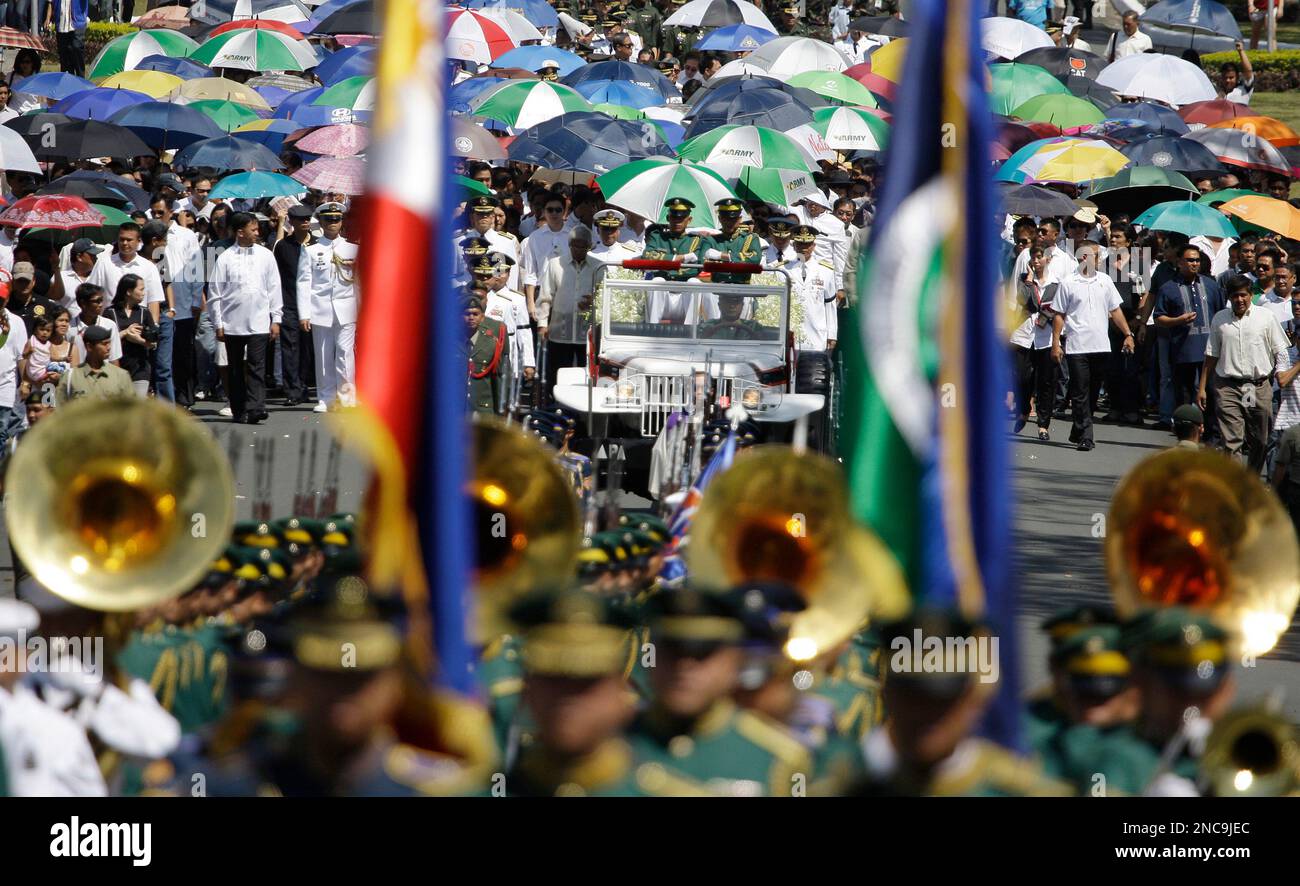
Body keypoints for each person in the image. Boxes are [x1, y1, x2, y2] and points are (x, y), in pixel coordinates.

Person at [852, 609, 1071, 797]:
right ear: (886, 694)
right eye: (913, 697)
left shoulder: (1021, 790)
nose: (927, 713)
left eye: (943, 699)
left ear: (972, 700)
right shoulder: (839, 782)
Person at [623, 586, 813, 796]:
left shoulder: (776, 760)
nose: (684, 666)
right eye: (672, 650)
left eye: (703, 652)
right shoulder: (609, 743)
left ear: (734, 659)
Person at [1198, 274, 1290, 470]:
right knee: (1232, 440)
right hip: (1228, 387)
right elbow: (1211, 355)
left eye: (1243, 295)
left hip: (1257, 387)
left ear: (1250, 295)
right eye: (1235, 296)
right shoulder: (1220, 319)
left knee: (1260, 439)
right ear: (1229, 297)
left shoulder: (1266, 317)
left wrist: (1280, 372)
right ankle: (1237, 485)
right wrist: (1202, 387)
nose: (1239, 300)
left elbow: (1280, 349)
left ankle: (1252, 480)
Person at [1051, 242, 1136, 452]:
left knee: (1092, 391)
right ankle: (1086, 436)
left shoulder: (1105, 281)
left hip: (1101, 345)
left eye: (1097, 256)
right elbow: (1059, 315)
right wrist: (1055, 343)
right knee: (1080, 390)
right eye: (1089, 256)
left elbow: (1115, 310)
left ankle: (1078, 428)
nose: (1094, 260)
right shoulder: (1068, 282)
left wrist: (1128, 334)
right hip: (1077, 345)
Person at [209, 212, 282, 425]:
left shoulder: (265, 255)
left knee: (256, 366)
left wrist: (276, 318)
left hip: (259, 321)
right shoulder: (225, 258)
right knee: (234, 369)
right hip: (232, 323)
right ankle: (239, 409)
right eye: (254, 229)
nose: (257, 233)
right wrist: (218, 323)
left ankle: (257, 407)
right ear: (240, 232)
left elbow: (274, 288)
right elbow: (215, 293)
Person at [296, 202, 357, 413]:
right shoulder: (311, 250)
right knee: (323, 355)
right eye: (329, 219)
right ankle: (326, 398)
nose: (333, 223)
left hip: (347, 307)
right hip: (320, 308)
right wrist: (304, 313)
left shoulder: (353, 249)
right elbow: (304, 283)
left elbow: (360, 283)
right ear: (320, 222)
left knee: (344, 353)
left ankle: (348, 397)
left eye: (337, 219)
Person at [1153, 244, 1223, 416]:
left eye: (1197, 260)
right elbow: (1158, 318)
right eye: (1190, 260)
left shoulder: (1211, 285)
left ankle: (1209, 436)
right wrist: (1178, 320)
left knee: (1210, 392)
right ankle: (1185, 434)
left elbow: (1221, 314)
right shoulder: (1168, 288)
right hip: (1183, 351)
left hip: (1210, 351)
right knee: (1184, 394)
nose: (1194, 264)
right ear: (1179, 262)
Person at [536, 226, 597, 398]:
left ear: (589, 246)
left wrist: (594, 303)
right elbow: (545, 296)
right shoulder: (555, 264)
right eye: (575, 246)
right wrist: (542, 324)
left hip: (587, 334)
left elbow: (605, 297)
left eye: (583, 246)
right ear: (569, 245)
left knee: (585, 377)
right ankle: (555, 409)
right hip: (559, 332)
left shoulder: (598, 267)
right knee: (557, 375)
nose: (578, 249)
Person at [103, 273, 158, 398]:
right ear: (128, 291)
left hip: (140, 367)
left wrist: (139, 340)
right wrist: (124, 333)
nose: (144, 293)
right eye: (141, 289)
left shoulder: (144, 312)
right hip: (117, 366)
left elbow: (153, 343)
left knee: (137, 406)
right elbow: (103, 340)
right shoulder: (110, 313)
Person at [788, 225, 838, 353]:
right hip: (790, 334)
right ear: (794, 245)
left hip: (816, 334)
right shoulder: (784, 270)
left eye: (808, 244)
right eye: (800, 244)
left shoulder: (826, 271)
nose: (804, 248)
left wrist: (832, 334)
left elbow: (830, 305)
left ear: (814, 246)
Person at [56, 324, 133, 405]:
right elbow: (60, 409)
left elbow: (132, 410)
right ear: (89, 347)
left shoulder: (121, 376)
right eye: (104, 344)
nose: (109, 347)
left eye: (109, 343)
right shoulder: (70, 377)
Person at [464, 294, 510, 415]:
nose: (471, 317)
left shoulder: (491, 343)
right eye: (467, 314)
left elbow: (498, 379)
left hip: (483, 411)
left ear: (482, 317)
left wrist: (501, 411)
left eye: (475, 314)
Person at [43, 0, 88, 78]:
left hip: (77, 22)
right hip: (61, 23)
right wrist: (48, 18)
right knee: (64, 56)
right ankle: (67, 81)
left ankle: (81, 78)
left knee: (76, 47)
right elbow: (51, 2)